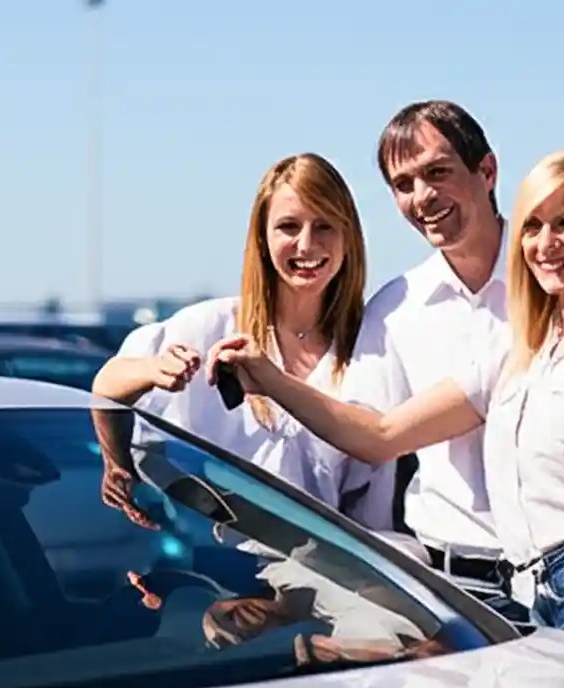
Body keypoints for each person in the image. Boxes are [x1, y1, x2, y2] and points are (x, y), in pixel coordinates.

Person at [206, 145, 564, 651]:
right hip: (536, 598)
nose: (545, 243)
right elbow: (381, 436)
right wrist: (270, 378)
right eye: (532, 227)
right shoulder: (521, 352)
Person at [91, 151, 405, 544]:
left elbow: (370, 507)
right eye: (288, 227)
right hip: (218, 579)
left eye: (324, 226)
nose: (306, 245)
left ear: (349, 239)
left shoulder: (368, 348)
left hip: (322, 586)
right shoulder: (209, 326)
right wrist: (118, 453)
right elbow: (107, 385)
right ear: (262, 237)